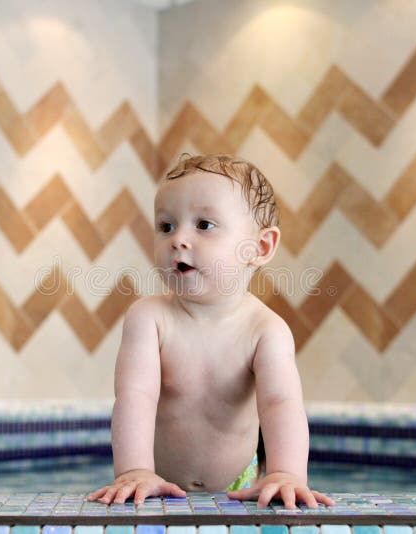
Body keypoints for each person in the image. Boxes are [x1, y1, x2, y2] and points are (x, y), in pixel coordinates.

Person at [86, 154, 334, 510]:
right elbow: (134, 398)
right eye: (166, 226)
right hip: (158, 481)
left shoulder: (266, 330)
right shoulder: (149, 318)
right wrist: (135, 470)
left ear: (259, 248)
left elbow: (281, 404)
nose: (178, 239)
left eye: (203, 224)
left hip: (241, 482)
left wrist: (286, 473)